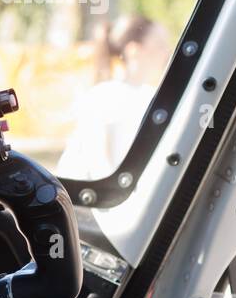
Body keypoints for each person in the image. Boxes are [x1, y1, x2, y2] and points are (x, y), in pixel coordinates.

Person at [57, 15, 174, 180]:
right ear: (134, 50)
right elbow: (99, 166)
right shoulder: (105, 97)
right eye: (160, 45)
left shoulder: (151, 96)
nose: (168, 51)